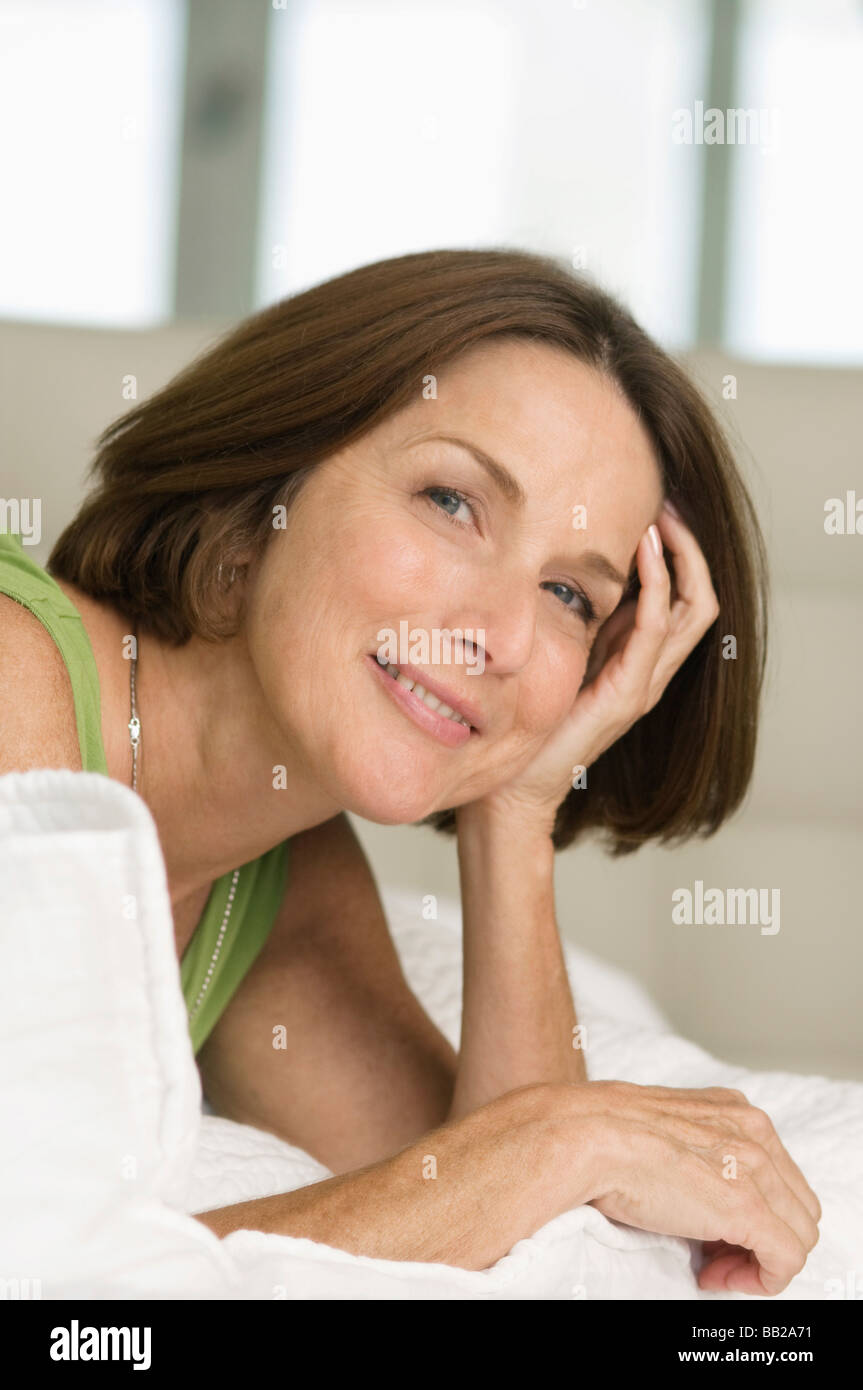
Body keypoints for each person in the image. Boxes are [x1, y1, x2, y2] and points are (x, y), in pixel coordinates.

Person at [0, 248, 819, 1295]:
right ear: (263, 491)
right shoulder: (17, 680)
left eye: (570, 595)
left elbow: (489, 1203)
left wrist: (515, 803)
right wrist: (560, 1140)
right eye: (450, 502)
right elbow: (47, 1274)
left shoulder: (272, 873)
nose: (502, 635)